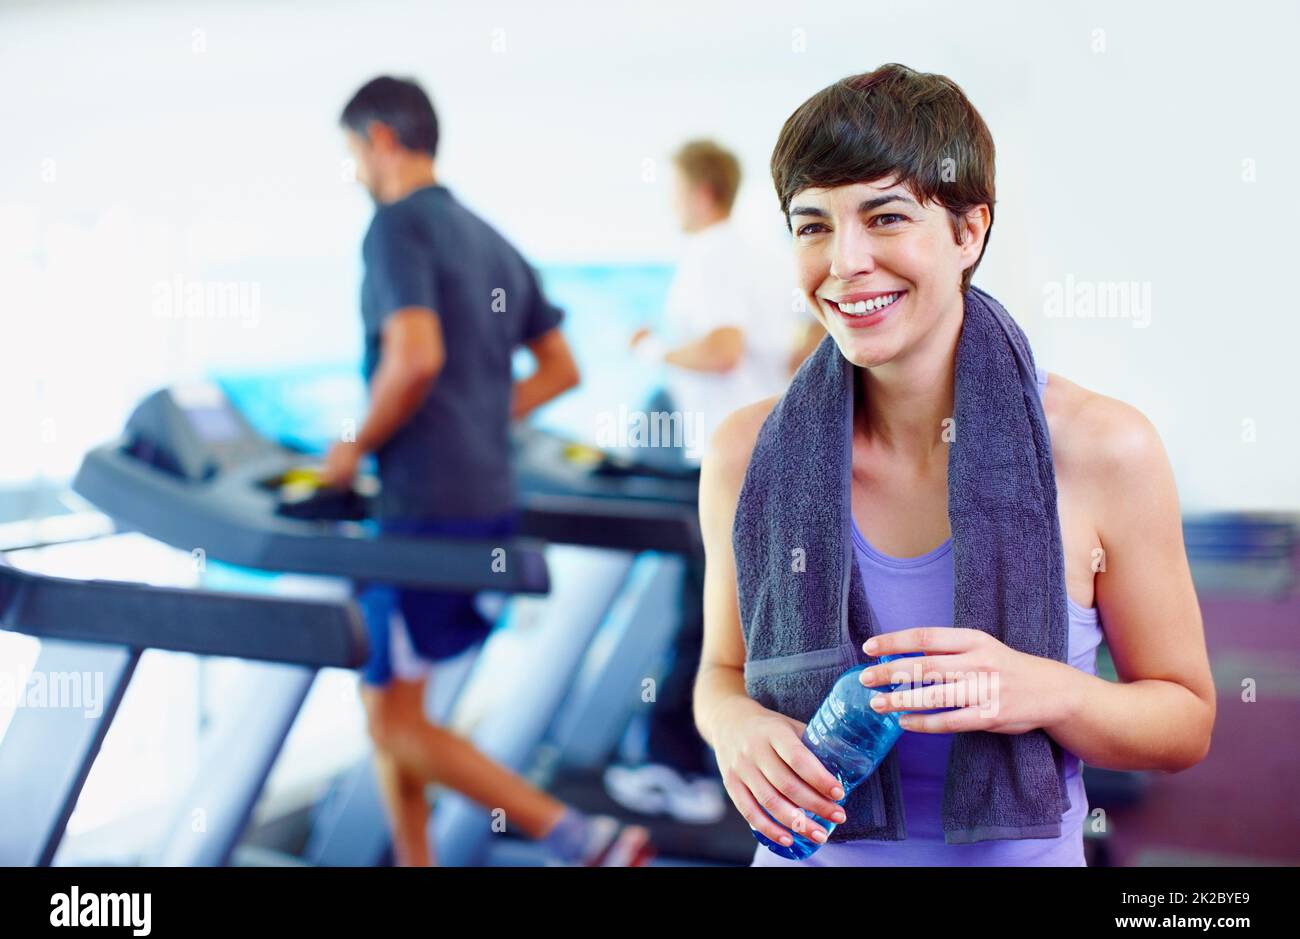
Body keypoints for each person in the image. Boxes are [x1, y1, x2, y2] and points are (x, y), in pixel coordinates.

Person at [692, 64, 1215, 865]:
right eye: (813, 226)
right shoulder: (743, 454)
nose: (846, 262)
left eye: (886, 216)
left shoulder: (1106, 450)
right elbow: (718, 673)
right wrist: (733, 725)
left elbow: (1185, 722)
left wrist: (1044, 692)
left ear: (970, 230)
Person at [320, 75, 653, 866]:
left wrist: (351, 448)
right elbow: (562, 366)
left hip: (422, 505)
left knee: (396, 723)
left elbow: (415, 357)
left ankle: (582, 838)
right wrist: (480, 415)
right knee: (392, 705)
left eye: (352, 156)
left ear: (380, 141)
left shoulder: (396, 228)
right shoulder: (489, 238)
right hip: (485, 497)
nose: (356, 174)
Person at [604, 140, 795, 824]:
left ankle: (676, 768)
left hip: (726, 466)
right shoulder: (763, 258)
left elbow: (724, 347)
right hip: (768, 459)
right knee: (741, 625)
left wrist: (652, 348)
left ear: (701, 191)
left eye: (674, 187)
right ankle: (724, 771)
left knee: (703, 625)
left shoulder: (711, 255)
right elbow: (797, 347)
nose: (669, 201)